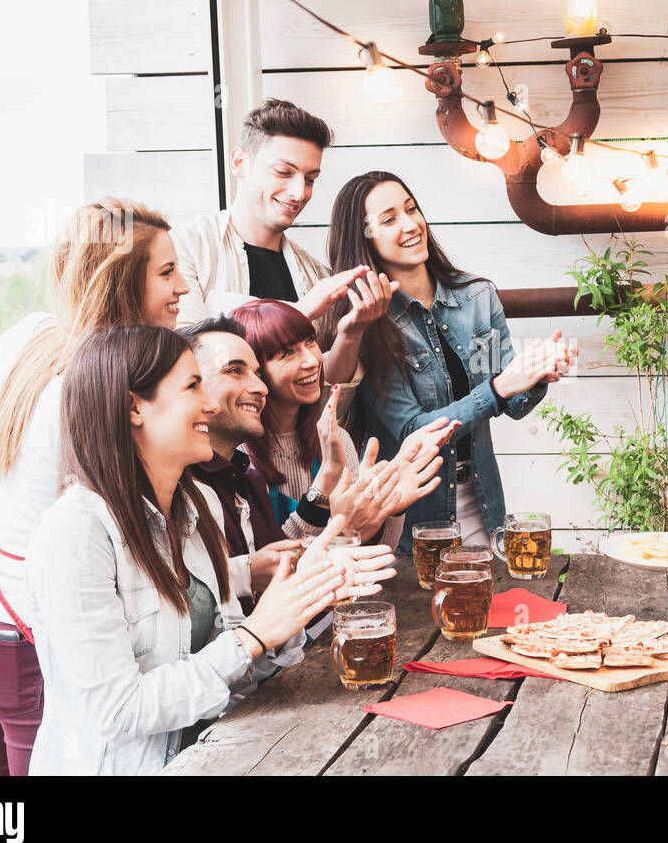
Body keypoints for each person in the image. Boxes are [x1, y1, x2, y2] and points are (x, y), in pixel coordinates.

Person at [26, 325, 349, 775]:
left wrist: (294, 602)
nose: (211, 404)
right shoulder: (75, 531)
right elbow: (120, 711)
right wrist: (253, 636)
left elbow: (236, 671)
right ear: (132, 406)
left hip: (215, 755)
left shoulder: (201, 505)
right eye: (193, 386)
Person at [0, 198, 189, 777]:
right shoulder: (106, 384)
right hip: (26, 638)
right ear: (124, 284)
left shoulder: (25, 337)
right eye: (166, 272)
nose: (183, 286)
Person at [322, 171, 575, 551]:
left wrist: (539, 372)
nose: (410, 224)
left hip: (484, 496)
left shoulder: (477, 298)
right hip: (412, 512)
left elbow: (515, 403)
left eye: (411, 209)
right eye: (389, 219)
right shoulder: (369, 326)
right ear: (364, 237)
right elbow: (412, 431)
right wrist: (499, 387)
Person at [169, 98, 392, 420]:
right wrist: (299, 313)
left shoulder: (316, 276)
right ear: (239, 163)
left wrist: (351, 333)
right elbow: (184, 356)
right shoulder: (186, 246)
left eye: (311, 178)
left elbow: (326, 402)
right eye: (283, 172)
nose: (299, 192)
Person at [179, 313, 408, 613]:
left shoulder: (245, 477)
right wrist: (338, 527)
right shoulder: (187, 480)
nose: (259, 387)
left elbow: (281, 581)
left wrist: (388, 502)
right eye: (235, 370)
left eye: (310, 341)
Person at [230, 299, 453, 549]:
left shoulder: (336, 438)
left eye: (310, 342)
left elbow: (377, 549)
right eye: (287, 353)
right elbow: (266, 566)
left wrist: (387, 505)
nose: (312, 361)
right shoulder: (237, 454)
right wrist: (326, 485)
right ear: (254, 372)